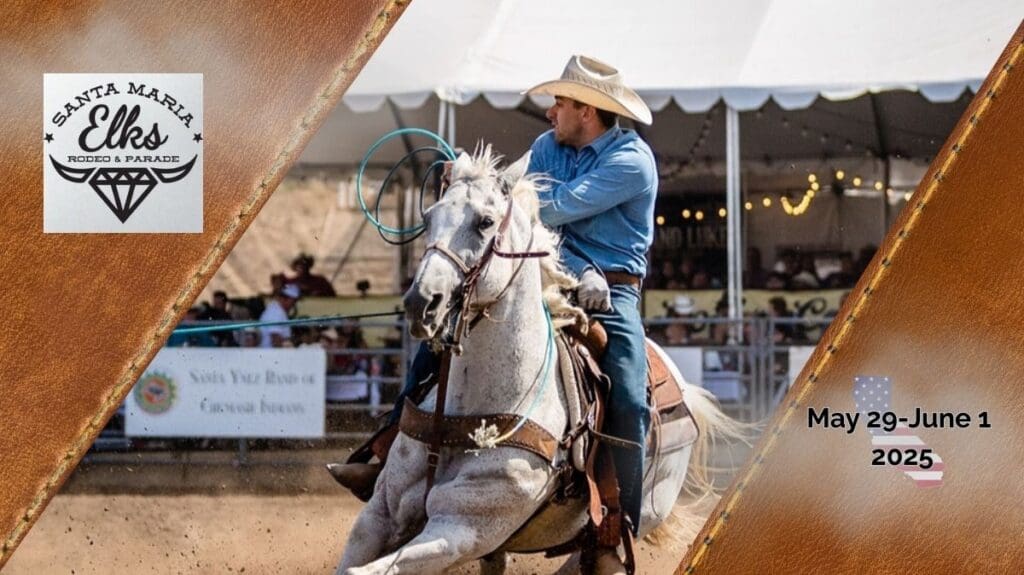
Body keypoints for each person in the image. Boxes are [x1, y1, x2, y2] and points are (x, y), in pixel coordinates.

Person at [331, 55, 656, 568]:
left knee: (630, 392)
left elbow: (547, 209)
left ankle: (617, 522)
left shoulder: (632, 161)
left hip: (612, 292)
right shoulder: (549, 146)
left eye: (561, 103)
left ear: (588, 111)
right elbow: (512, 209)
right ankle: (383, 455)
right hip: (543, 275)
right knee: (436, 346)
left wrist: (489, 197)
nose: (551, 113)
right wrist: (469, 186)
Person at [259, 283, 300, 348]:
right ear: (285, 298)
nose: (294, 304)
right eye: (293, 301)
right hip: (271, 354)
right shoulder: (275, 312)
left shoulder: (279, 310)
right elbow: (275, 338)